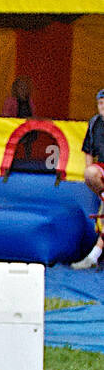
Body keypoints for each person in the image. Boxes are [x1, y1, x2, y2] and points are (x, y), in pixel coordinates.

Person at [70, 88, 104, 269]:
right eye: (100, 103)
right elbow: (88, 152)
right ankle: (93, 256)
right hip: (102, 170)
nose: (102, 106)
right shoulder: (94, 123)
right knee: (90, 172)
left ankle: (94, 255)